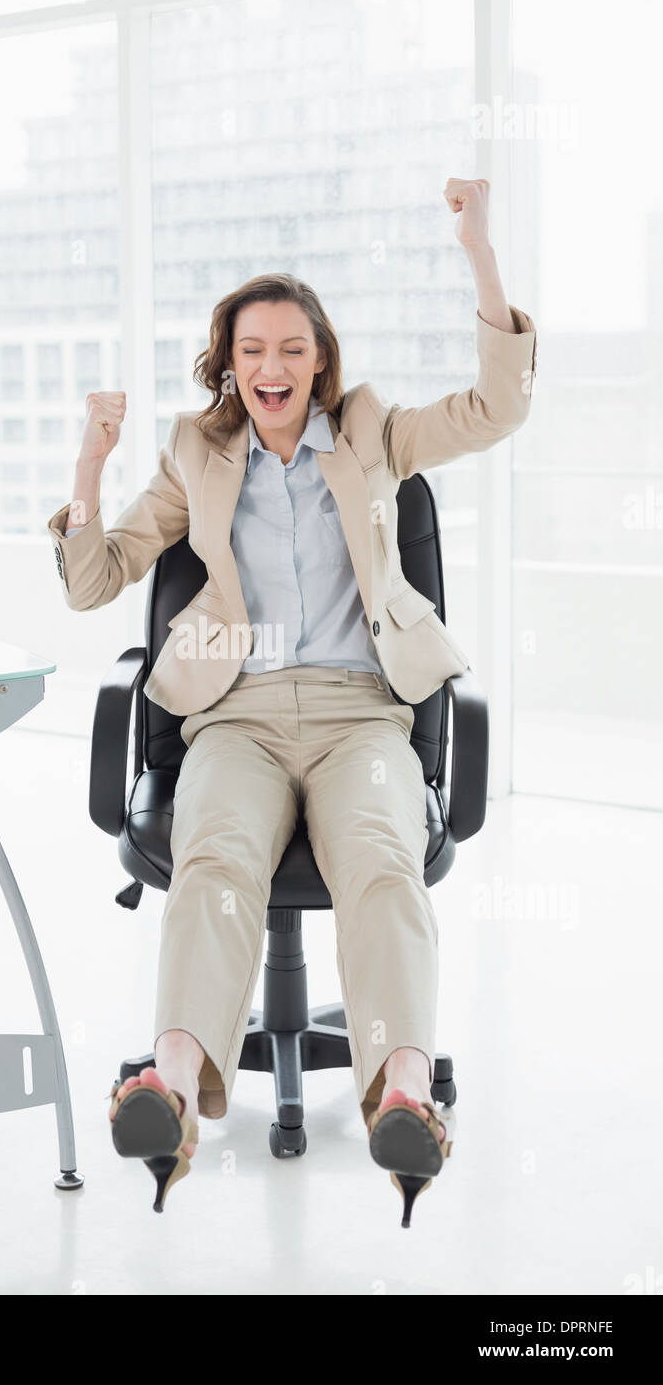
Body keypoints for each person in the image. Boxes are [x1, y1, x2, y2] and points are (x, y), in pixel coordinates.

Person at [47, 177, 536, 1224]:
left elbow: (497, 408)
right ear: (228, 363)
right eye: (252, 349)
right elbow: (95, 580)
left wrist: (478, 251)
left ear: (319, 362)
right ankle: (171, 1085)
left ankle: (403, 1092)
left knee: (380, 858)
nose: (271, 366)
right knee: (213, 857)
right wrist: (90, 465)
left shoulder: (372, 433)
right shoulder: (195, 454)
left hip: (363, 714)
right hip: (238, 715)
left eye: (292, 349)